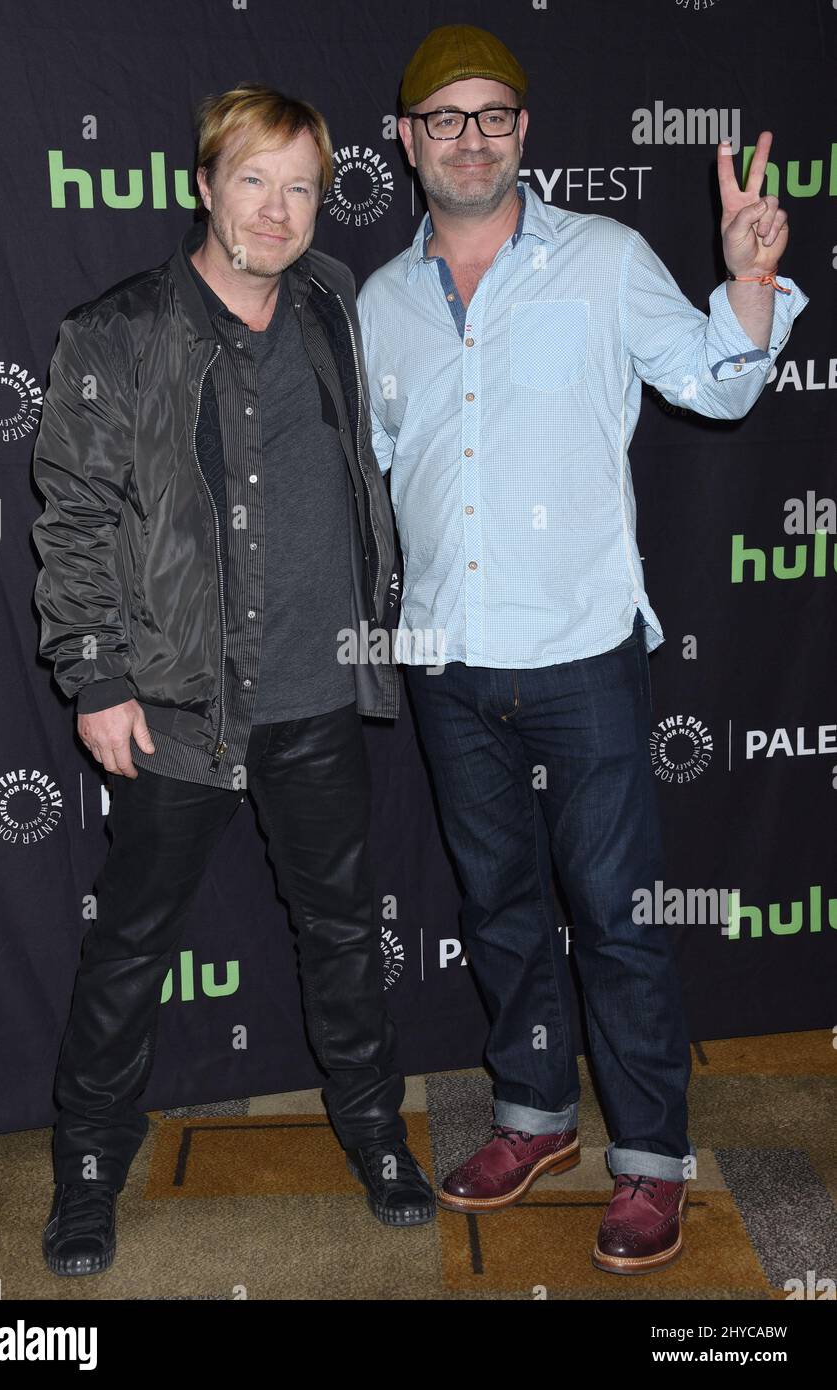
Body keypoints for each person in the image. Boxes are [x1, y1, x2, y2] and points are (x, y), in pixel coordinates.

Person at [356, 24, 808, 1273]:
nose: (470, 137)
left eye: (493, 114)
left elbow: (721, 385)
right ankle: (534, 1116)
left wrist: (749, 278)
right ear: (407, 141)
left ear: (524, 131)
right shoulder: (378, 304)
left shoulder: (604, 261)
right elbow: (379, 479)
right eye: (443, 118)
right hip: (448, 662)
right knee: (499, 908)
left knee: (616, 919)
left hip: (586, 656)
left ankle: (652, 1159)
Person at [32, 82, 435, 1278]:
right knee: (131, 949)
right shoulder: (117, 333)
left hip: (320, 691)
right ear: (204, 186)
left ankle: (374, 1133)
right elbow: (75, 519)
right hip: (172, 703)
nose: (277, 208)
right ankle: (93, 1164)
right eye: (253, 179)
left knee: (344, 936)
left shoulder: (332, 299)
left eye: (302, 185)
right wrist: (95, 674)